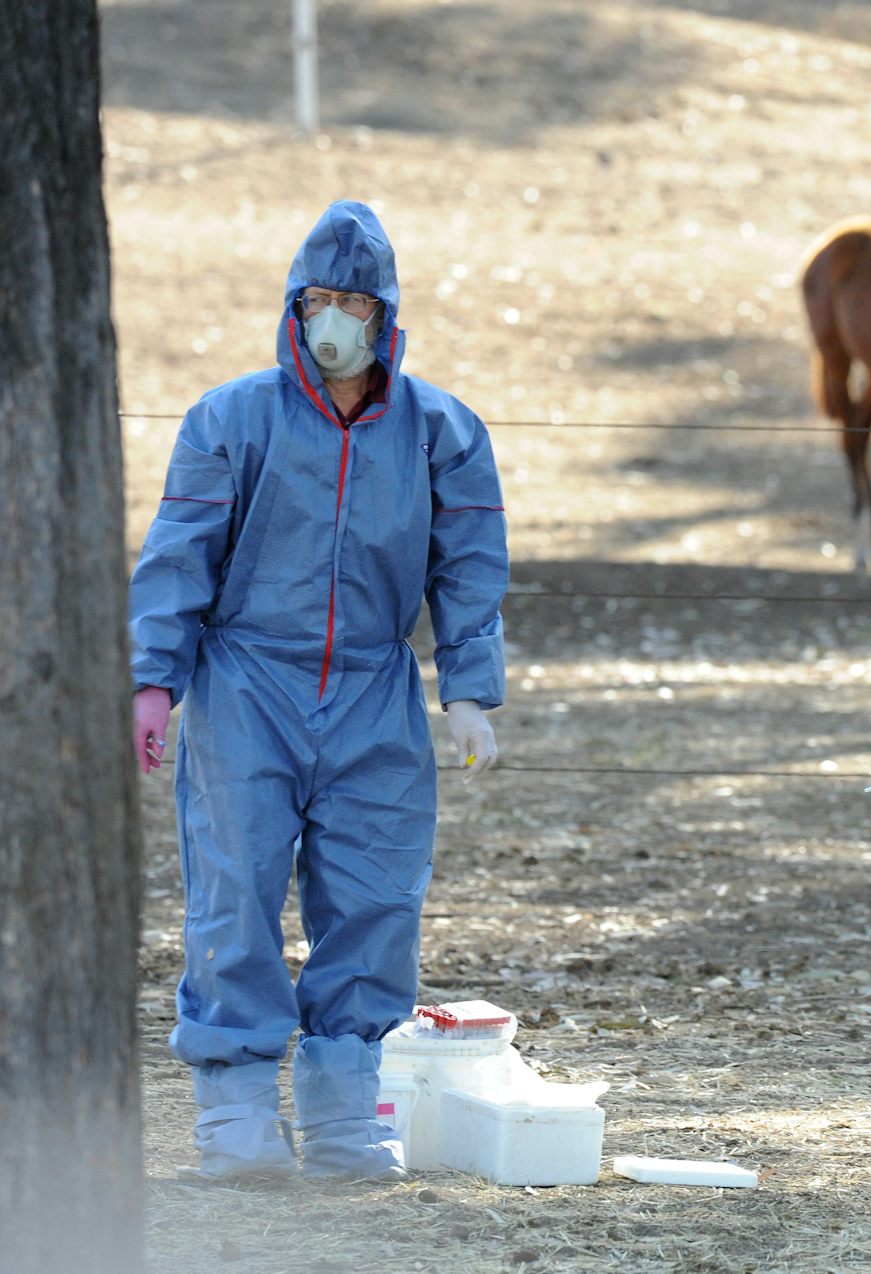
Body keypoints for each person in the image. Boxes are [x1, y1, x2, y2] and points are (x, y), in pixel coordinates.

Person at [128, 200, 509, 1181]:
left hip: (377, 691)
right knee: (235, 889)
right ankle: (238, 1112)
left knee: (376, 898)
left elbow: (469, 566)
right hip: (245, 685)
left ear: (386, 315)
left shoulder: (440, 432)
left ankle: (345, 1110)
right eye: (319, 300)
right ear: (294, 307)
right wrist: (154, 679)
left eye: (355, 303)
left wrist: (468, 686)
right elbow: (178, 556)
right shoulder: (231, 419)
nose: (334, 320)